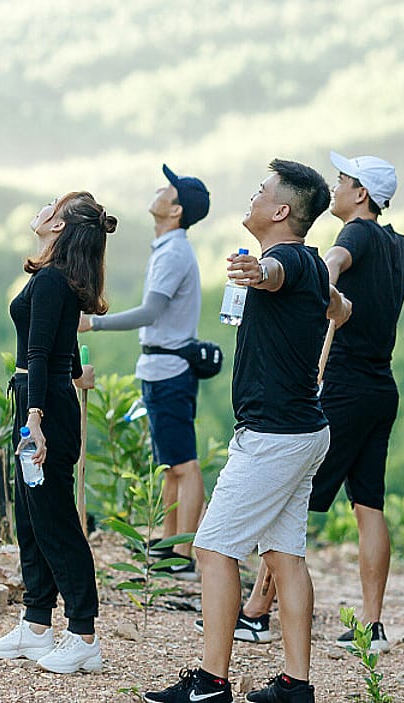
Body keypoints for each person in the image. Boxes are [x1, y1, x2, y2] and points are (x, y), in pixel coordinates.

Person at [233, 151, 404, 653]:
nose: (336, 188)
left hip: (342, 387)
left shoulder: (358, 233)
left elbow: (332, 262)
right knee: (369, 504)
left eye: (344, 181)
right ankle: (372, 626)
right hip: (380, 389)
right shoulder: (400, 245)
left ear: (362, 195)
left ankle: (256, 614)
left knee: (291, 495)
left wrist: (304, 284)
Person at [145, 160, 343, 703]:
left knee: (212, 550)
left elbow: (274, 274)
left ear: (281, 211)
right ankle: (296, 686)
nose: (253, 197)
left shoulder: (283, 259)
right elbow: (335, 302)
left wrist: (259, 274)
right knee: (284, 556)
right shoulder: (312, 264)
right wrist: (339, 305)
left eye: (262, 191)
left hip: (274, 437)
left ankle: (211, 683)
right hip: (305, 431)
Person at [0, 191, 118, 674]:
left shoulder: (51, 283)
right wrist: (77, 371)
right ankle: (36, 624)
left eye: (51, 208)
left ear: (58, 228)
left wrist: (35, 421)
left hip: (42, 408)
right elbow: (60, 348)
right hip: (42, 399)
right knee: (32, 519)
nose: (42, 210)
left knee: (57, 522)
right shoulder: (55, 281)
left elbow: (39, 354)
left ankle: (84, 634)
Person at [79, 164, 210, 579]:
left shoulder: (173, 252)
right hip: (159, 366)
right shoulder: (167, 248)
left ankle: (184, 553)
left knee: (184, 464)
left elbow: (151, 311)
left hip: (170, 367)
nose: (158, 190)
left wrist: (94, 322)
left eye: (166, 189)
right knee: (170, 463)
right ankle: (170, 545)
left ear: (175, 210)